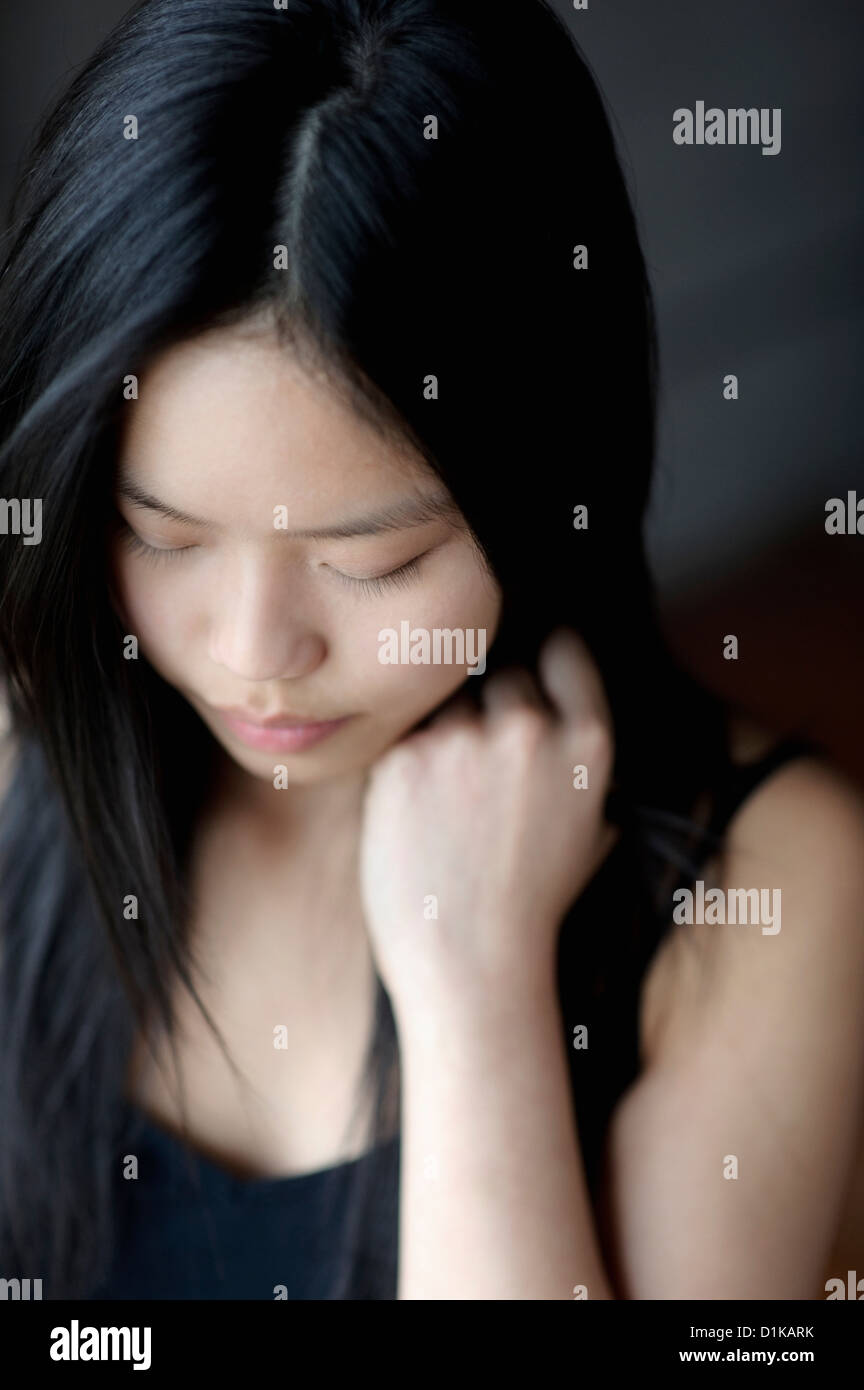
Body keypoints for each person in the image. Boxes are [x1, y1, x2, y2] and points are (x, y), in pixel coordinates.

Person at [0, 0, 862, 1302]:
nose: (253, 654)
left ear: (546, 486)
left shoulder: (768, 886)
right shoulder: (13, 744)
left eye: (373, 563)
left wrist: (477, 988)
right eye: (162, 536)